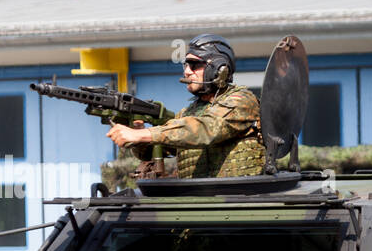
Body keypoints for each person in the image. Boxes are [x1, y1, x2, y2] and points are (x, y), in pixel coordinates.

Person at [106, 34, 264, 178]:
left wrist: (144, 134)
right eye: (186, 65)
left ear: (219, 69)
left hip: (239, 198)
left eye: (194, 65)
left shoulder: (241, 100)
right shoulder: (187, 114)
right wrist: (139, 137)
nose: (187, 72)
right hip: (198, 201)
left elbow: (208, 128)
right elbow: (158, 149)